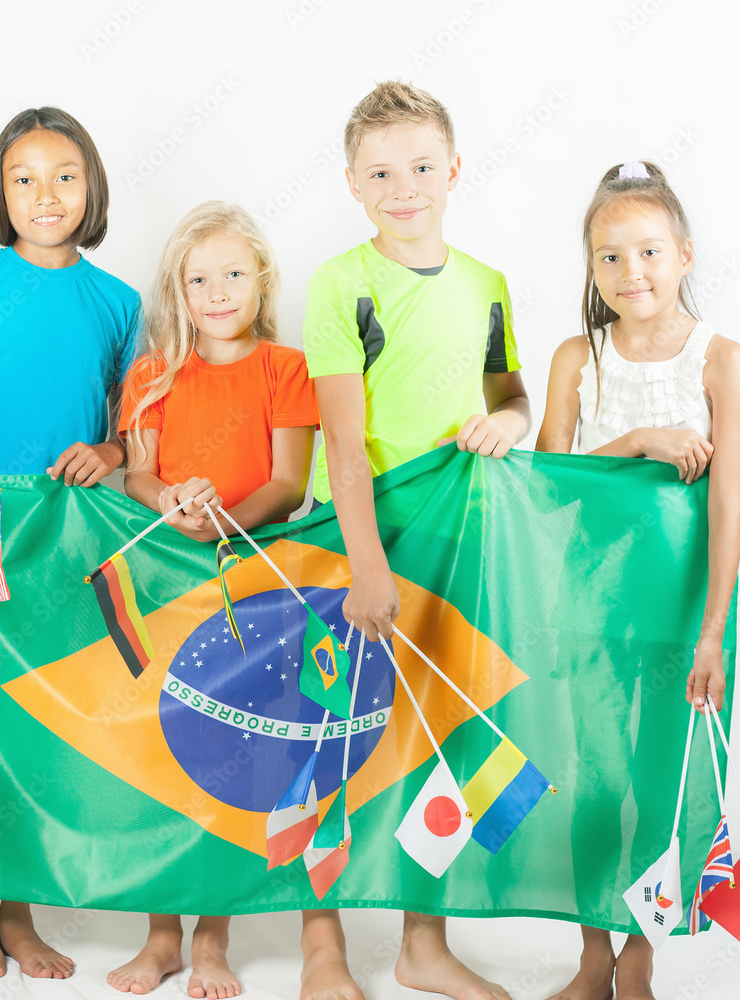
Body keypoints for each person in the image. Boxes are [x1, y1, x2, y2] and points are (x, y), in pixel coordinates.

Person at [302, 81, 529, 1000]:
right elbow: (345, 448)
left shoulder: (487, 284)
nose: (406, 188)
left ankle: (421, 942)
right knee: (327, 730)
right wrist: (365, 568)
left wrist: (510, 426)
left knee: (436, 732)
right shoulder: (340, 284)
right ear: (354, 183)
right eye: (383, 173)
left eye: (423, 168)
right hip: (352, 539)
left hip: (452, 536)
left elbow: (511, 398)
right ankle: (321, 943)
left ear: (455, 170)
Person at [0, 106, 140, 979]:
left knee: (44, 711)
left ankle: (22, 905)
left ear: (92, 186)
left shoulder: (116, 301)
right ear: (1, 193)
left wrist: (111, 451)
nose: (46, 195)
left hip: (64, 531)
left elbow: (128, 433)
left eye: (65, 176)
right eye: (25, 179)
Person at [536, 160, 740, 1000]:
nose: (632, 273)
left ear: (685, 253)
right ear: (591, 269)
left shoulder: (719, 359)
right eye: (610, 258)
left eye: (650, 252)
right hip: (592, 601)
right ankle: (593, 953)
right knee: (596, 775)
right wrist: (641, 440)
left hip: (684, 610)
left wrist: (711, 634)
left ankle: (644, 950)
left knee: (662, 776)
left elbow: (729, 504)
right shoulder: (575, 357)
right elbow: (546, 481)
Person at [108, 201, 318, 998]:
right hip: (165, 579)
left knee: (231, 759)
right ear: (179, 291)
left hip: (251, 582)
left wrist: (222, 521)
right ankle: (161, 936)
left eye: (234, 273)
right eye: (200, 279)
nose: (218, 290)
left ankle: (212, 940)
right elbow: (136, 472)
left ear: (261, 280)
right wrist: (169, 502)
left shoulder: (285, 368)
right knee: (160, 752)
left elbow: (290, 483)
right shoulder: (153, 371)